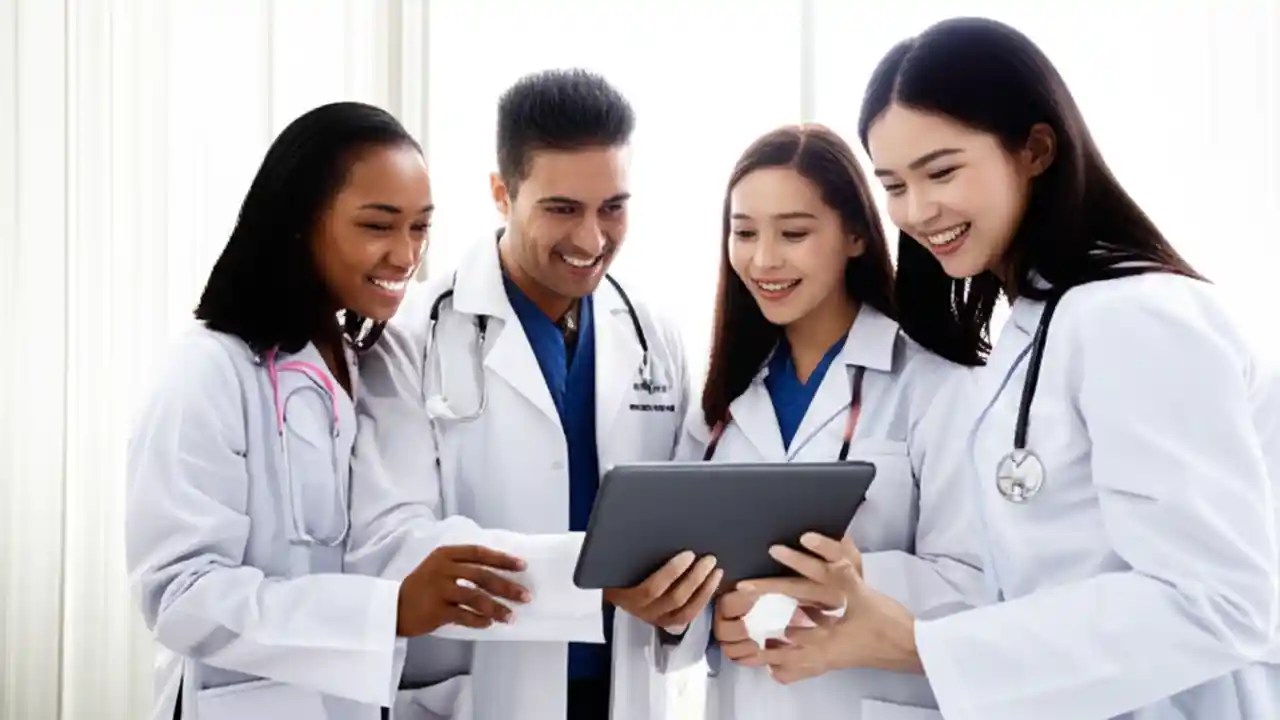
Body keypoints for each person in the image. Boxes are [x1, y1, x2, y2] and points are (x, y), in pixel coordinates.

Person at [748, 17, 1280, 720]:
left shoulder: (1134, 316)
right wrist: (870, 598)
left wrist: (916, 642)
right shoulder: (1037, 326)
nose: (917, 210)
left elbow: (1221, 602)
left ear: (1034, 150)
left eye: (941, 172)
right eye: (893, 185)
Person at [125, 102, 528, 720]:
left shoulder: (372, 359)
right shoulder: (208, 372)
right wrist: (386, 611)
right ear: (300, 221)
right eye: (378, 225)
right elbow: (179, 595)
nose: (405, 255)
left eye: (420, 228)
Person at [346, 69, 716, 720]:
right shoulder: (410, 339)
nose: (592, 240)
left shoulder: (655, 336)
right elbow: (392, 545)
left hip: (622, 691)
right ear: (501, 192)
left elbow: (686, 518)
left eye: (614, 208)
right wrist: (594, 577)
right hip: (482, 692)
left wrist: (681, 596)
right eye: (563, 209)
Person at [653, 124, 984, 719]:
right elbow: (682, 578)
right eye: (744, 232)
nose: (763, 259)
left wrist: (836, 586)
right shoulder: (723, 404)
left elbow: (977, 585)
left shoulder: (934, 386)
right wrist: (705, 615)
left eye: (794, 233)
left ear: (856, 234)